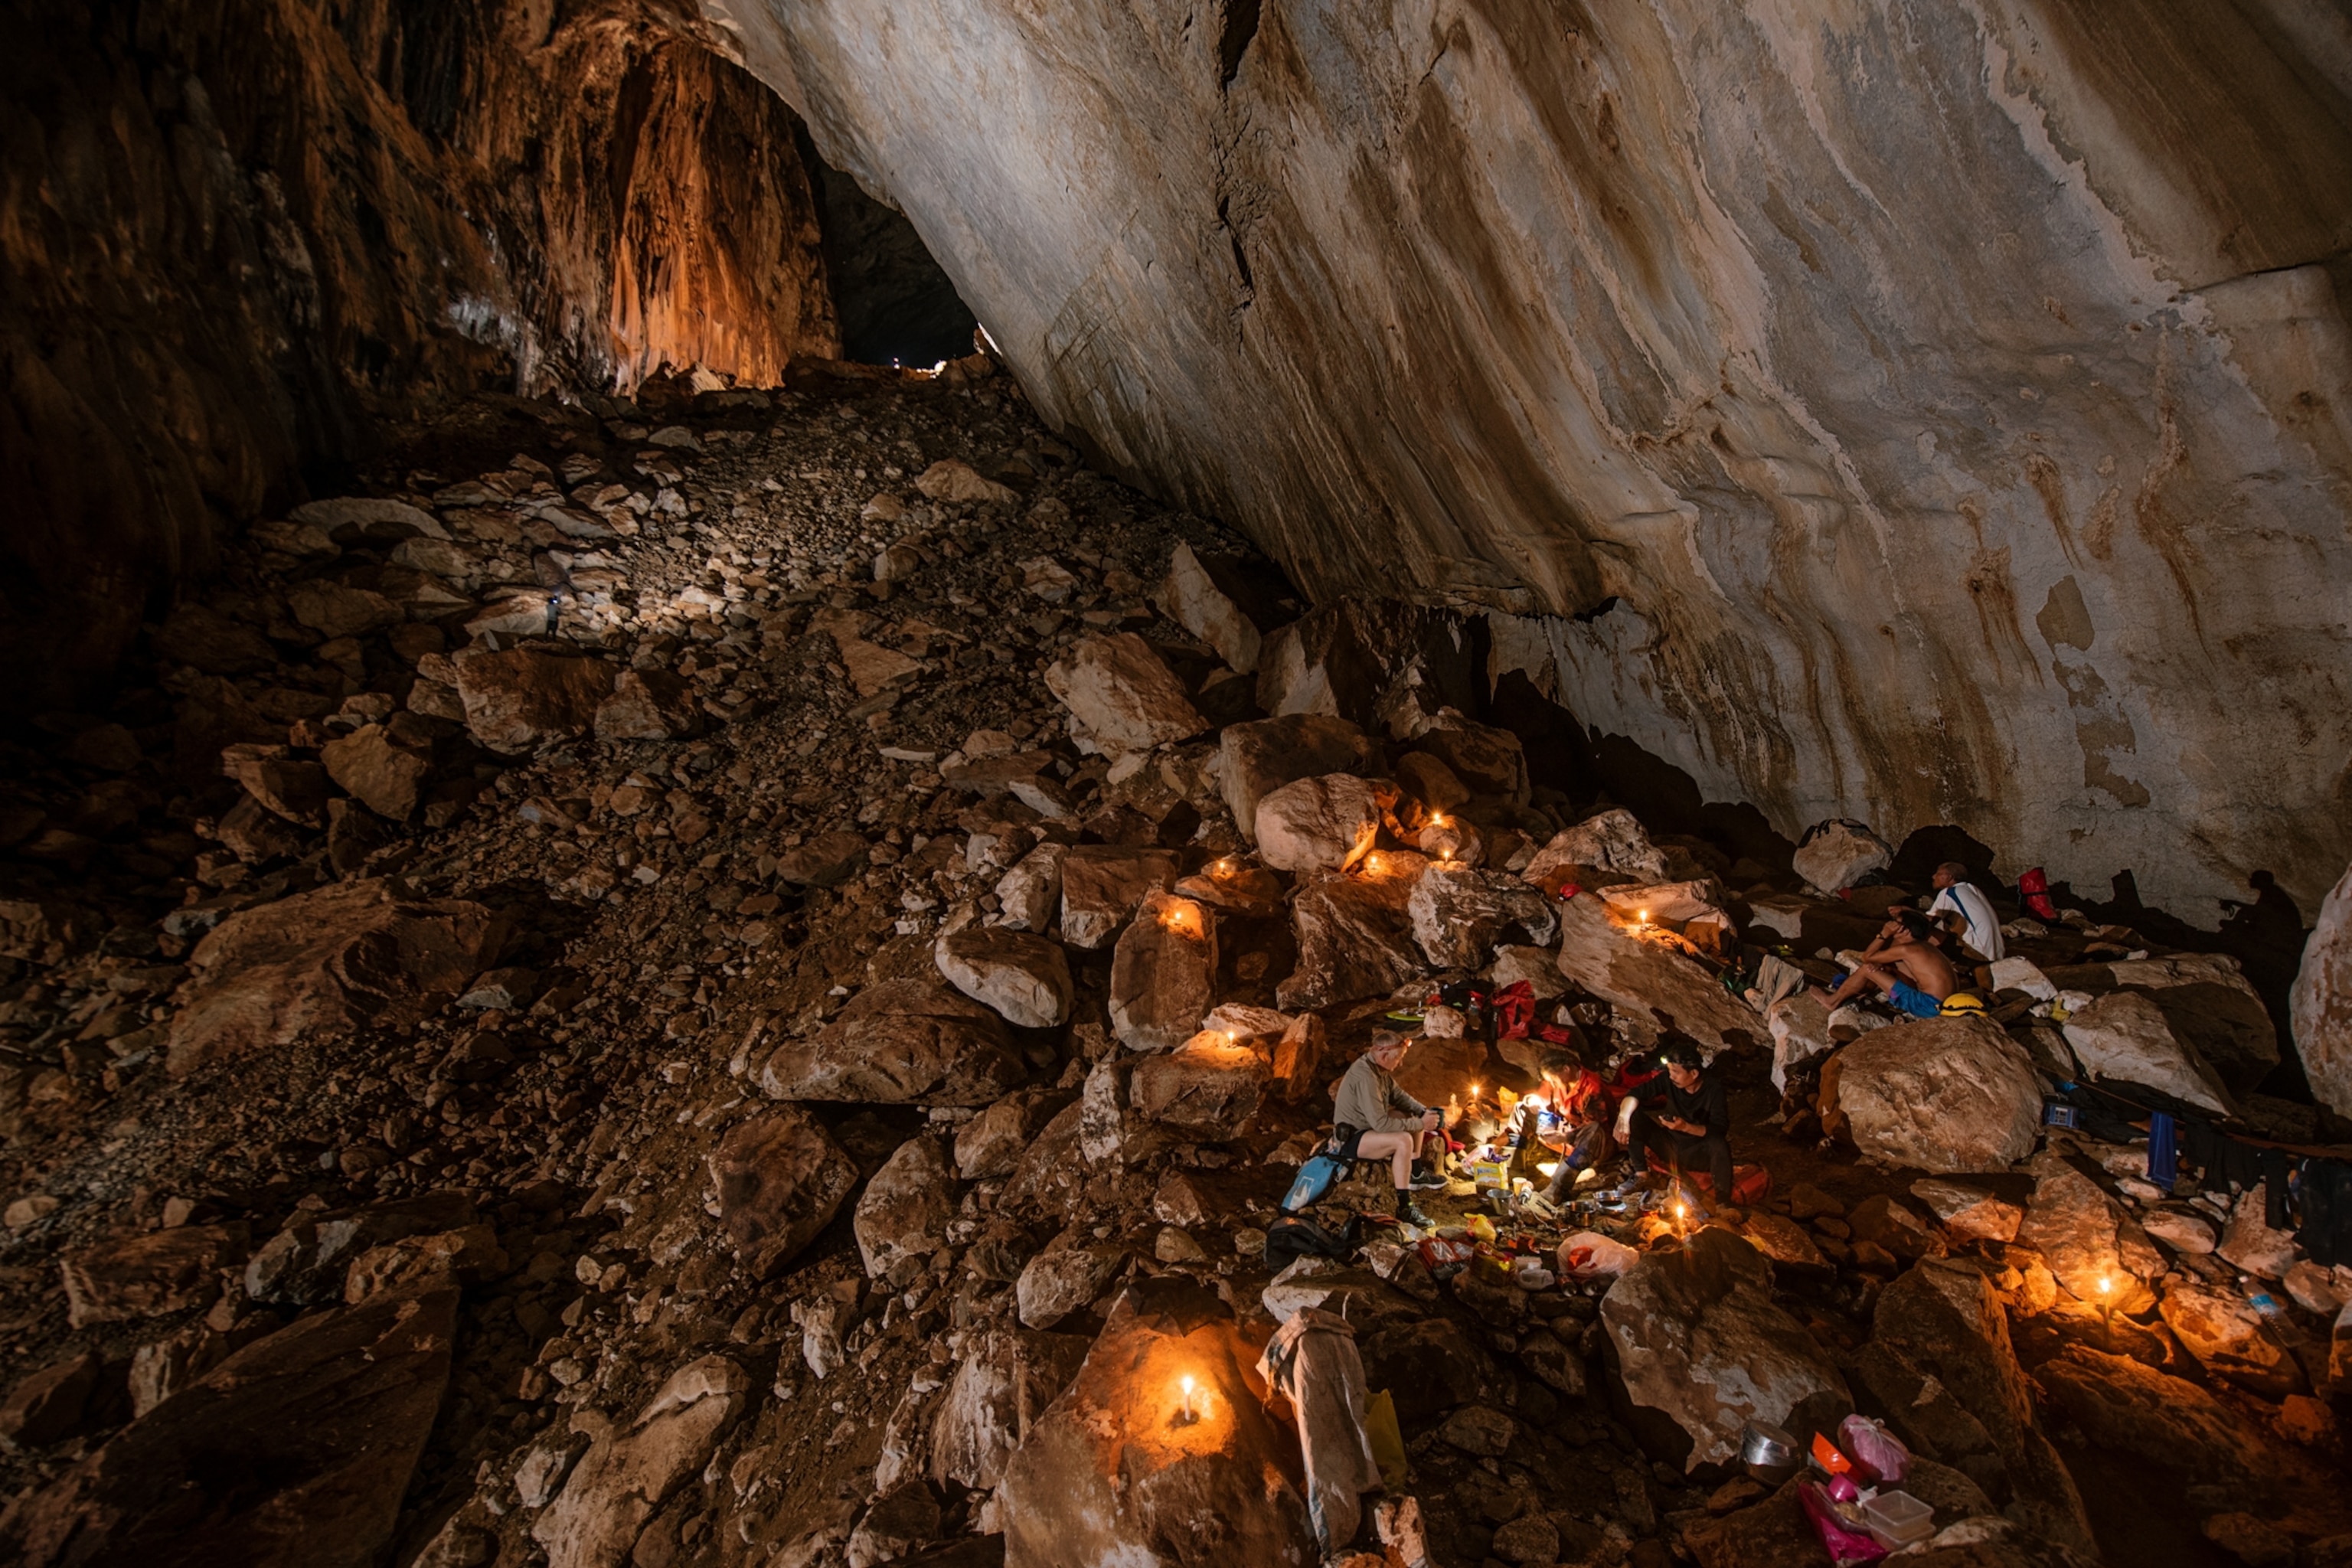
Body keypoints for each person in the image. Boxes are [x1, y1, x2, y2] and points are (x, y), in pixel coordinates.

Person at [1331, 1031, 1445, 1226]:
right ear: (1384, 1056)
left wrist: (1423, 1112)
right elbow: (1381, 1124)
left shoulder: (1378, 1069)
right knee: (1403, 1140)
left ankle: (1415, 1174)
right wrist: (1421, 1125)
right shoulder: (1365, 1077)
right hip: (1352, 1138)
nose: (1400, 1064)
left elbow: (1398, 1096)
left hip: (1367, 1127)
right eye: (1398, 1059)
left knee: (1412, 1115)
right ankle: (1405, 1206)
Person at [1610, 1041, 1734, 1207]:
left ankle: (1723, 1203)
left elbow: (1719, 1129)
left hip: (1698, 1153)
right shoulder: (1668, 1081)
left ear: (1694, 1073)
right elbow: (1635, 1093)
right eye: (1669, 1071)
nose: (1671, 1076)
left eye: (1676, 1072)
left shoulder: (1713, 1090)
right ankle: (1641, 1175)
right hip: (1669, 1147)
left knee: (1719, 1144)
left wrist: (1686, 1127)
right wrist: (1623, 1119)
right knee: (1634, 1116)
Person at [1811, 907, 1958, 1019]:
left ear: (1905, 931)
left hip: (1927, 1005)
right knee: (1883, 969)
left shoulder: (1907, 949)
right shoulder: (1926, 947)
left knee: (1867, 969)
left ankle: (1833, 1001)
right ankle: (1856, 995)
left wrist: (1884, 933)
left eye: (1896, 923)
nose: (1892, 924)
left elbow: (1868, 958)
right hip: (1945, 1003)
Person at [1527, 1050, 1612, 1200]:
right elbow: (1544, 1093)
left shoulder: (1592, 1087)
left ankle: (1556, 1188)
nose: (1552, 1084)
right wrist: (1534, 1100)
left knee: (1594, 1130)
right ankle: (1515, 1168)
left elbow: (1595, 1127)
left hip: (1592, 1144)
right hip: (1565, 1132)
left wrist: (1565, 1137)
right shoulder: (1559, 1080)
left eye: (1553, 1080)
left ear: (1566, 1069)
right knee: (1522, 1108)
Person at [1928, 862, 2004, 962]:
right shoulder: (1973, 889)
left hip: (1979, 953)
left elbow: (1928, 921)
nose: (1933, 877)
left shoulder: (1949, 893)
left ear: (1949, 877)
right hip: (1997, 952)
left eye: (1938, 873)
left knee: (1921, 931)